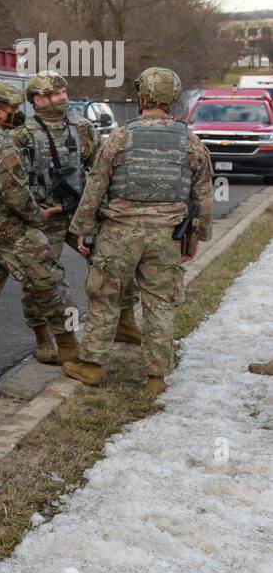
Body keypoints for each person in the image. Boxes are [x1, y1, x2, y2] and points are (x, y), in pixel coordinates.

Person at [62, 67, 213, 398]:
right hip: (167, 235)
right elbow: (202, 195)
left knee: (105, 297)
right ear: (172, 99)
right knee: (161, 303)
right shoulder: (190, 141)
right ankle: (156, 377)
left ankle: (91, 366)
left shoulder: (119, 138)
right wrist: (195, 238)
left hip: (120, 233)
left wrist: (82, 232)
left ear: (142, 97)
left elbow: (95, 187)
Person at [0, 82, 78, 385]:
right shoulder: (1, 144)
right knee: (50, 282)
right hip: (6, 231)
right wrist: (38, 216)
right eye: (13, 109)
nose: (16, 114)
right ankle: (70, 351)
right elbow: (16, 195)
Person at [9, 70, 142, 361]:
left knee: (113, 262)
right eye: (56, 94)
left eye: (64, 92)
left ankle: (126, 322)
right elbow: (11, 181)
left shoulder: (82, 128)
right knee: (40, 280)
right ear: (38, 100)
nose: (64, 98)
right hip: (42, 217)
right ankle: (44, 338)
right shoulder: (21, 135)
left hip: (79, 212)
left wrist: (106, 208)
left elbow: (100, 168)